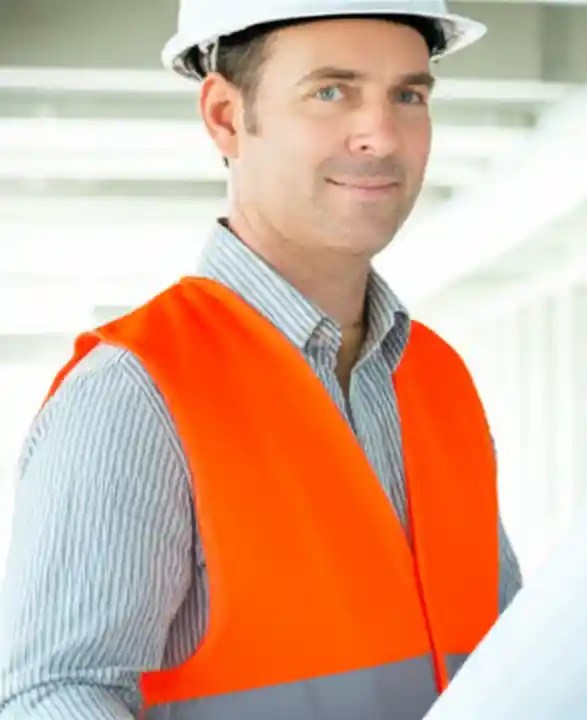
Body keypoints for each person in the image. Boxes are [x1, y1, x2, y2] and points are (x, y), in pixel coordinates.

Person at [0, 1, 522, 717]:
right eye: (330, 91)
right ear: (225, 116)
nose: (381, 134)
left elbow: (505, 657)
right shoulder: (138, 390)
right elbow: (53, 696)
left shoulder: (437, 377)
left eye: (408, 95)